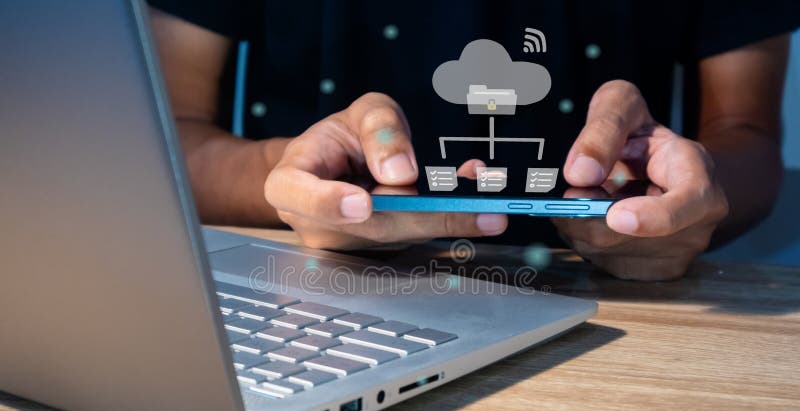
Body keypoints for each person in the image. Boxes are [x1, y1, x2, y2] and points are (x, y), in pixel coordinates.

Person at [147, 0, 799, 280]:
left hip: (626, 306)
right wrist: (281, 178)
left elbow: (748, 138)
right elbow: (165, 136)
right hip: (310, 291)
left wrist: (691, 199)